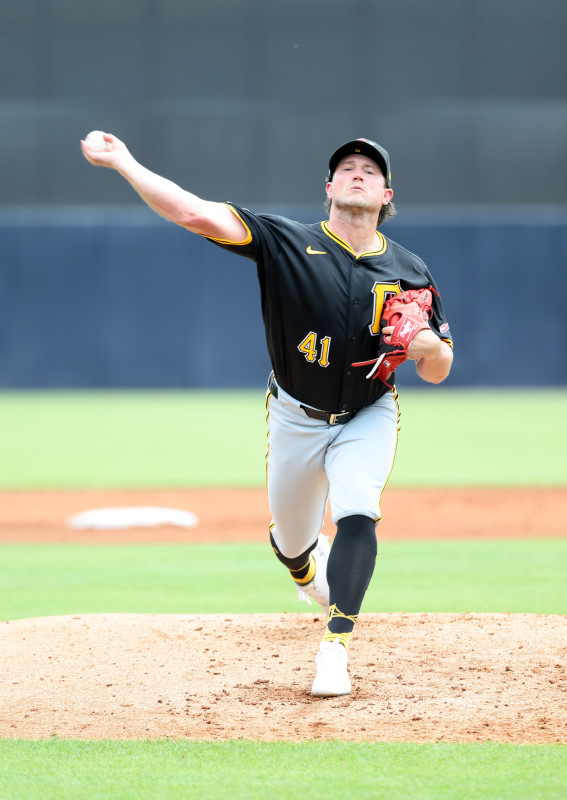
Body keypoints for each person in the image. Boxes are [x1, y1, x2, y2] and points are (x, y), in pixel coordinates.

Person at [81, 133, 453, 697]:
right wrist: (124, 161)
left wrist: (429, 348)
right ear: (328, 188)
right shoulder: (284, 242)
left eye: (369, 171)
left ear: (385, 194)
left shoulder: (409, 269)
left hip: (368, 412)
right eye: (346, 168)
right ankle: (307, 571)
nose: (357, 174)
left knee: (358, 506)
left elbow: (438, 368)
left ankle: (336, 647)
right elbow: (190, 212)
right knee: (291, 542)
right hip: (296, 418)